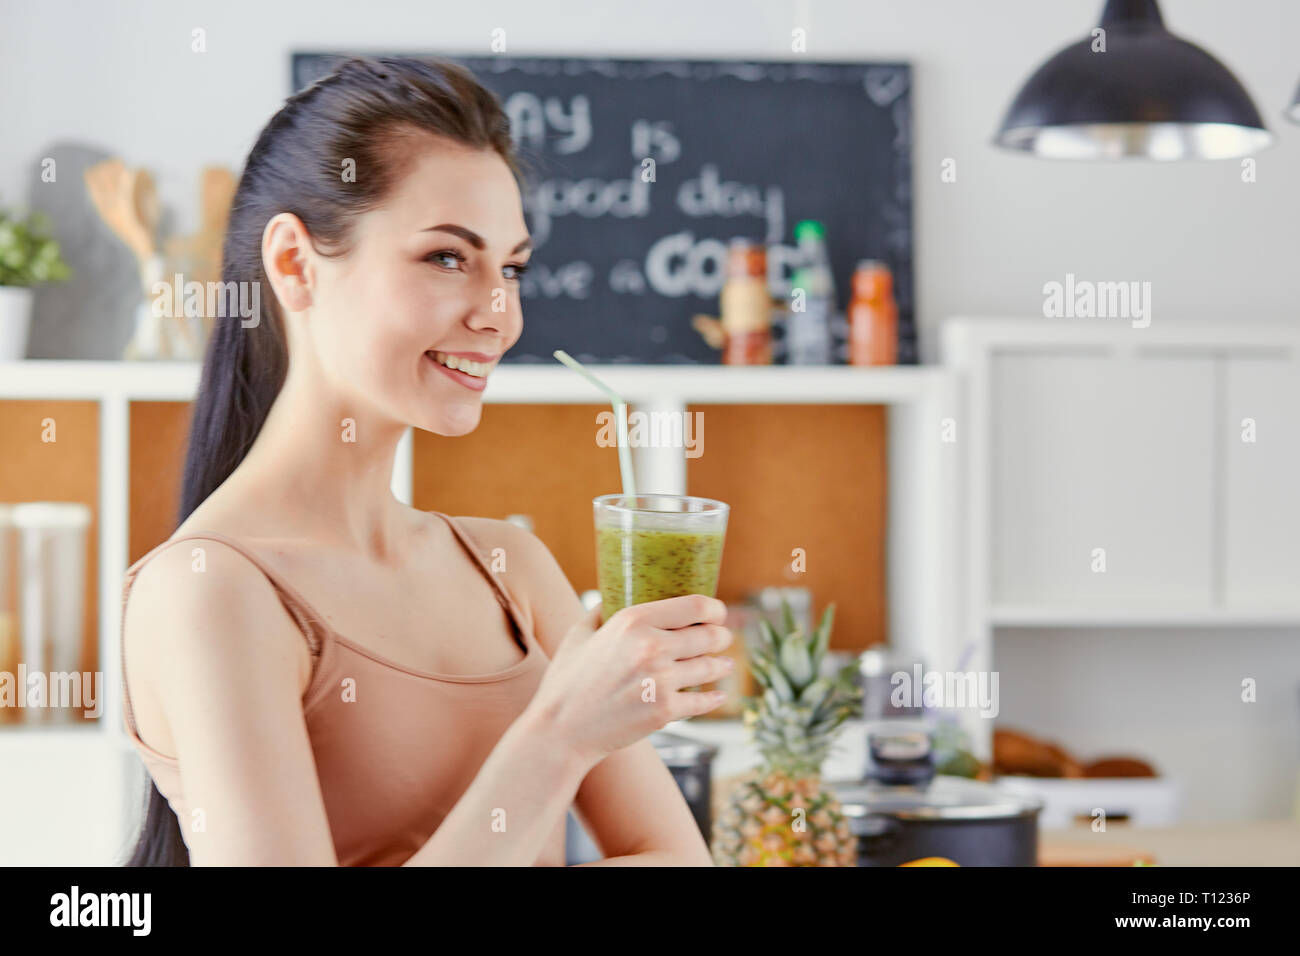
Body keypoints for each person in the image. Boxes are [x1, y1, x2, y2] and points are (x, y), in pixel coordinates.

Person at [120, 56, 733, 866]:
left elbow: (672, 857)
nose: (498, 315)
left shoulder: (509, 568)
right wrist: (557, 736)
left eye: (511, 268)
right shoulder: (211, 590)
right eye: (448, 258)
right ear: (297, 265)